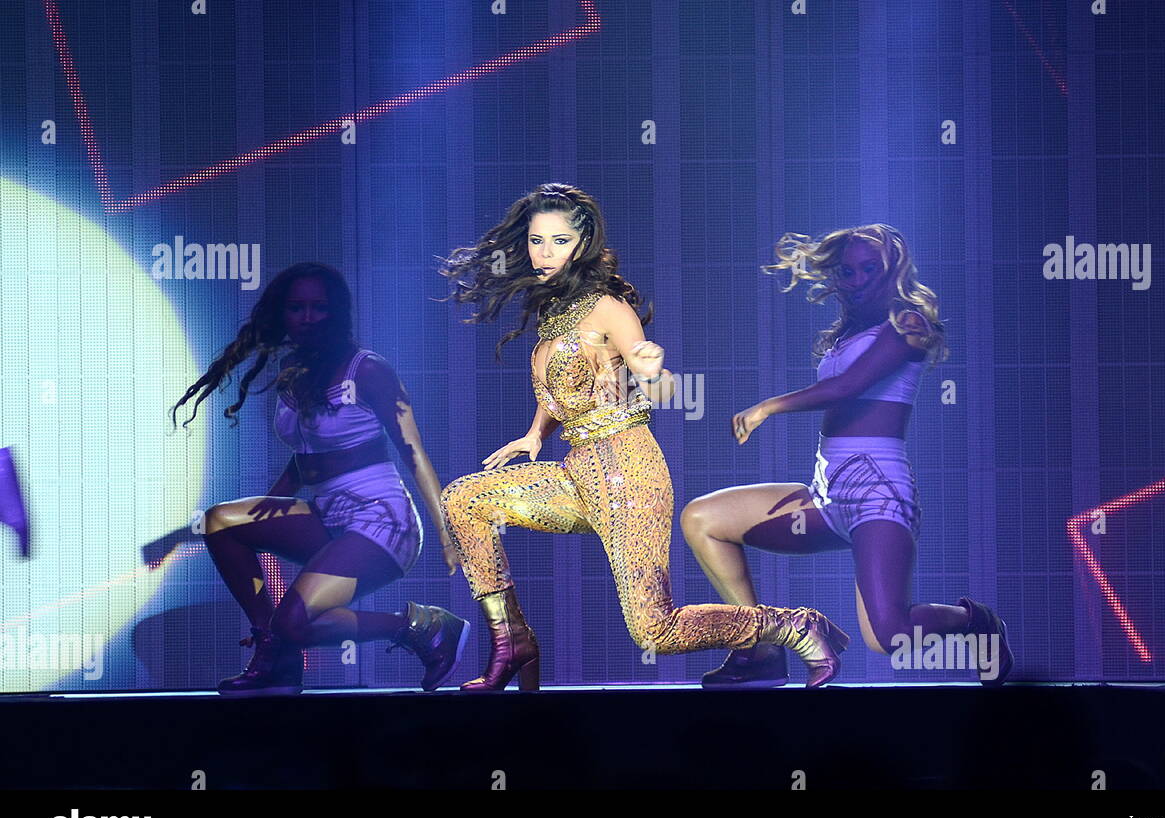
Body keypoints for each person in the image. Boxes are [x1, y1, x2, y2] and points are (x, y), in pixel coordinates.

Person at [437, 183, 849, 691]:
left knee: (653, 629)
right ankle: (512, 640)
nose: (544, 253)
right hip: (577, 473)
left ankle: (791, 625)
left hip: (628, 476)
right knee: (465, 498)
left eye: (559, 241)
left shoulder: (607, 307)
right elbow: (561, 388)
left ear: (583, 242)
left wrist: (652, 370)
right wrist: (534, 434)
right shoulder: (554, 311)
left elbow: (652, 372)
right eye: (536, 241)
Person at [680, 224, 1014, 687]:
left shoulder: (908, 323)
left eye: (869, 269)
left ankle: (977, 623)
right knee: (702, 519)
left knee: (887, 636)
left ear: (893, 270)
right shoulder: (847, 332)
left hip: (878, 490)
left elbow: (848, 387)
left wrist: (768, 407)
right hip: (826, 491)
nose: (857, 279)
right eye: (848, 271)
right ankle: (760, 647)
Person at [170, 262, 469, 696]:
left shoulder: (367, 370)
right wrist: (268, 510)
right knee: (220, 522)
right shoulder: (295, 374)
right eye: (296, 308)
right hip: (330, 516)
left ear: (337, 314)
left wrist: (446, 531)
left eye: (318, 308)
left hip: (383, 521)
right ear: (282, 314)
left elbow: (414, 453)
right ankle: (274, 650)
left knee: (296, 620)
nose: (307, 317)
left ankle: (422, 626)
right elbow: (308, 457)